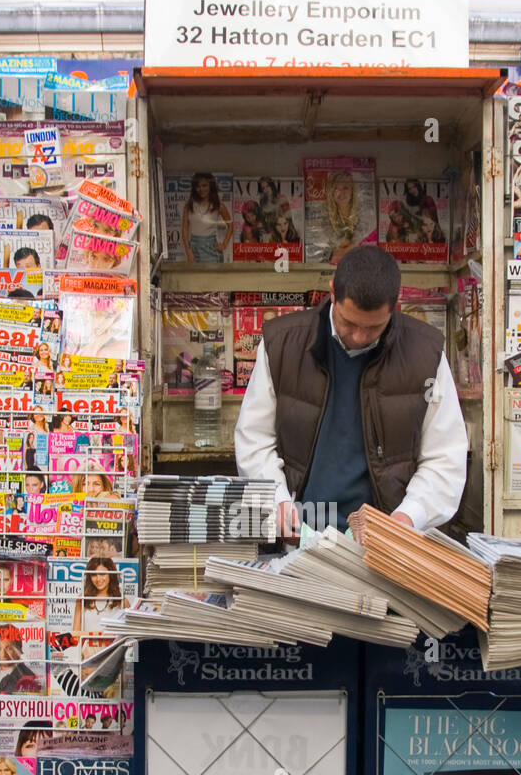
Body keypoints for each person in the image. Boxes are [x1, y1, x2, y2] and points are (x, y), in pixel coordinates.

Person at [235, 245, 466, 538]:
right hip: (299, 533)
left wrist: (409, 516)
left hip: (383, 540)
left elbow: (445, 454)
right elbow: (254, 439)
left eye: (373, 327)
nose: (359, 337)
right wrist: (278, 501)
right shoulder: (281, 344)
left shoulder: (426, 353)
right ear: (332, 292)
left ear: (395, 304)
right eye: (349, 323)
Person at [182, 172, 231, 263]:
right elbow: (184, 230)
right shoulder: (189, 206)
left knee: (213, 277)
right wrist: (188, 251)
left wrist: (224, 244)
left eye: (204, 185)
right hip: (194, 248)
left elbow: (231, 226)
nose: (201, 189)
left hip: (211, 249)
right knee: (195, 277)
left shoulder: (218, 205)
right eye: (198, 186)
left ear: (210, 186)